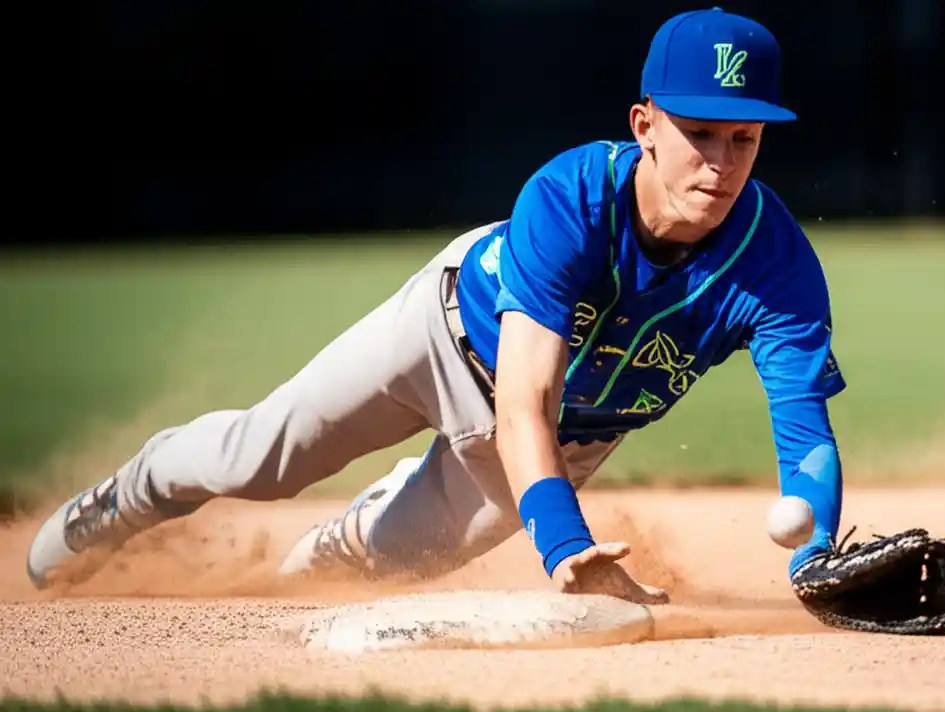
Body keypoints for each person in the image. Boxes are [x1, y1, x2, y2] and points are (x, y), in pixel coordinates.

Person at [27, 7, 847, 604]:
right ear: (644, 125)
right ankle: (128, 495)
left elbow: (803, 430)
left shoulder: (777, 267)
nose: (722, 161)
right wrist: (563, 545)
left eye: (745, 138)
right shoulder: (571, 198)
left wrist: (815, 559)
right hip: (442, 337)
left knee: (367, 568)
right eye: (700, 131)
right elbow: (524, 398)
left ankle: (346, 534)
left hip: (570, 431)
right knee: (263, 459)